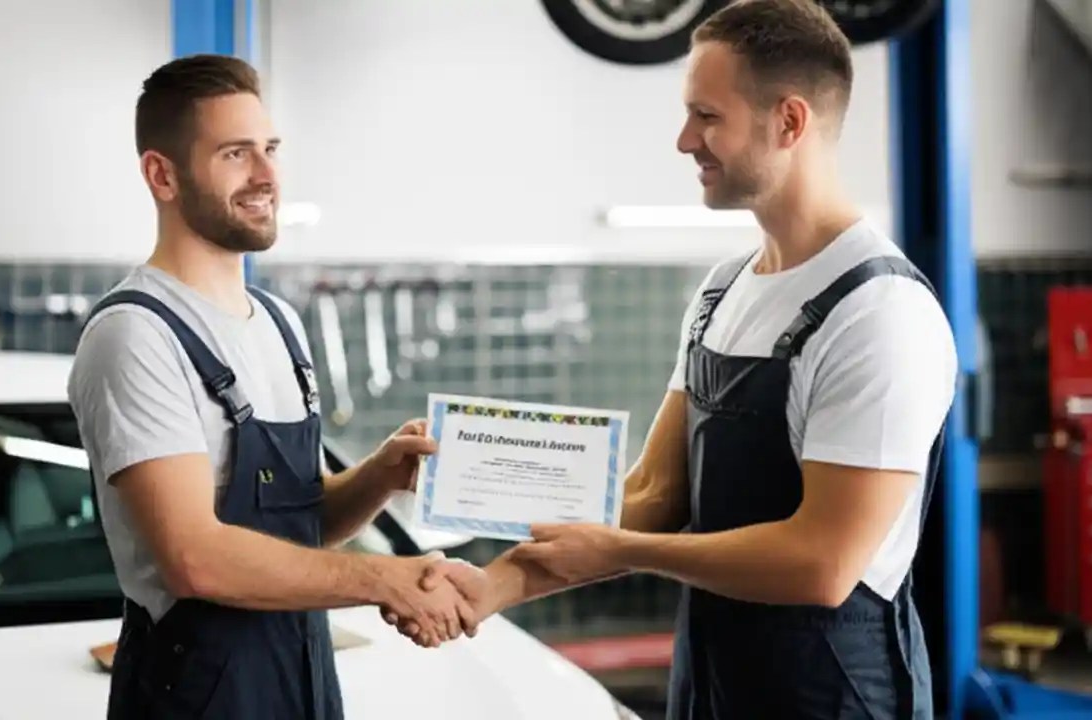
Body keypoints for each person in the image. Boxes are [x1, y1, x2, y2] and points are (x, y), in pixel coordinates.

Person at [387, 1, 958, 717]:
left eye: (707, 116)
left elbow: (824, 563)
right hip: (714, 681)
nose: (685, 140)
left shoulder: (879, 314)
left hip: (836, 692)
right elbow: (657, 493)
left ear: (789, 122)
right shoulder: (723, 291)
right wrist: (492, 586)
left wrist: (626, 550)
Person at [68, 54, 479, 720]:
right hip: (196, 694)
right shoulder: (135, 335)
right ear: (161, 174)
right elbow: (194, 558)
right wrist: (387, 580)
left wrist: (377, 477)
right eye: (236, 154)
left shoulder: (278, 323)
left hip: (301, 672)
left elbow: (299, 527)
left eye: (271, 149)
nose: (266, 176)